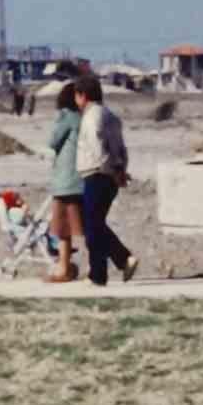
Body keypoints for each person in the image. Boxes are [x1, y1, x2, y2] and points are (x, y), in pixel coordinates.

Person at [73, 76, 137, 287]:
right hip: (109, 176)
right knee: (96, 225)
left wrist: (111, 170)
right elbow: (121, 148)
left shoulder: (92, 117)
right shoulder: (111, 115)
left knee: (92, 228)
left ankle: (99, 274)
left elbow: (97, 148)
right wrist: (120, 169)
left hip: (97, 174)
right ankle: (121, 261)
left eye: (77, 95)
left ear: (83, 95)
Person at [43, 84, 86, 282]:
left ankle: (63, 268)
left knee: (62, 229)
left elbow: (52, 141)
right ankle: (90, 265)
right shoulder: (84, 117)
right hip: (81, 177)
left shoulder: (67, 116)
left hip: (65, 178)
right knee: (83, 226)